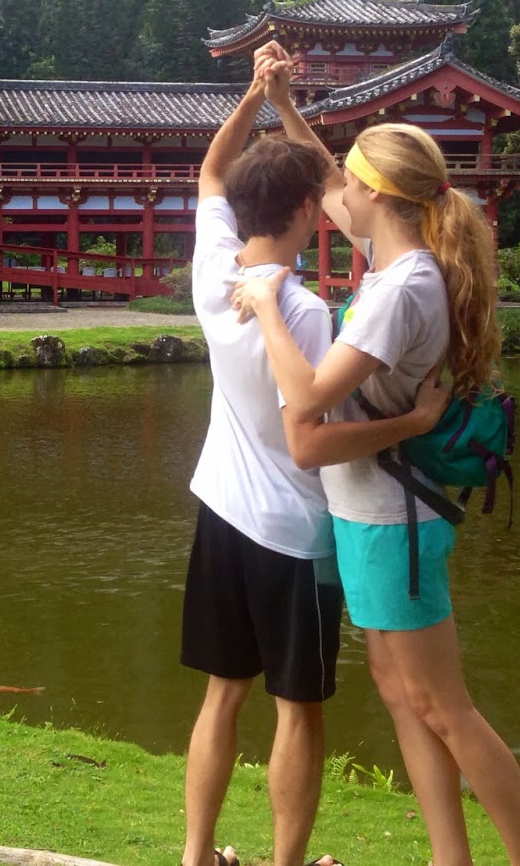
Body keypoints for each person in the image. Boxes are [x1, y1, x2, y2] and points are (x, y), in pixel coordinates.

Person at [232, 45, 520, 866]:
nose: (335, 194)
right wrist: (284, 102)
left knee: (446, 708)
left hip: (391, 520)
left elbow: (306, 398)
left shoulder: (403, 285)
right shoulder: (396, 262)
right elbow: (332, 178)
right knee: (406, 699)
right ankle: (453, 858)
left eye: (350, 182)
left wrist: (268, 299)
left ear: (377, 194)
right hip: (371, 515)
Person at [181, 70, 448, 866]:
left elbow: (207, 172)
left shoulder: (211, 273)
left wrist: (258, 99)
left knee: (221, 694)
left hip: (218, 514)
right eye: (318, 202)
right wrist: (414, 421)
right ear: (304, 212)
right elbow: (316, 437)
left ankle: (196, 854)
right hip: (296, 536)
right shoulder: (302, 312)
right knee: (298, 711)